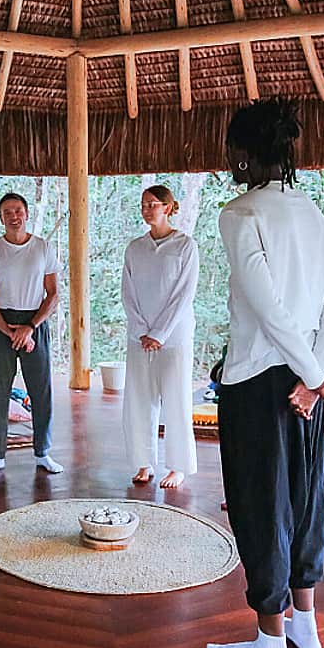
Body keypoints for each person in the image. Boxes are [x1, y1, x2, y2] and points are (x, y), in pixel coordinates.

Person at [206, 99, 324, 648]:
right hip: (300, 383)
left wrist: (320, 380)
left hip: (256, 381)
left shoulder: (239, 214)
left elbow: (268, 311)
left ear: (244, 152)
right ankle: (305, 624)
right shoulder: (313, 216)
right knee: (304, 500)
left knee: (260, 505)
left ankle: (269, 642)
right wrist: (313, 377)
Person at [0, 192, 64, 478]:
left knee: (41, 389)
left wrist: (30, 328)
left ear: (26, 214)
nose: (14, 216)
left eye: (18, 210)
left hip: (34, 321)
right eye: (7, 212)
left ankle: (43, 452)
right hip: (2, 322)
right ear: (1, 218)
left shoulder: (43, 248)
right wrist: (9, 330)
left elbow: (53, 294)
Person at [122, 185, 199, 489]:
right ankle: (143, 463)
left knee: (176, 400)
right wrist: (143, 331)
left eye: (153, 204)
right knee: (139, 401)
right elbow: (127, 293)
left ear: (168, 208)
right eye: (143, 204)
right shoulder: (135, 248)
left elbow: (183, 295)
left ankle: (178, 466)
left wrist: (159, 333)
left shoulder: (185, 245)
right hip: (139, 337)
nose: (147, 210)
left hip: (174, 338)